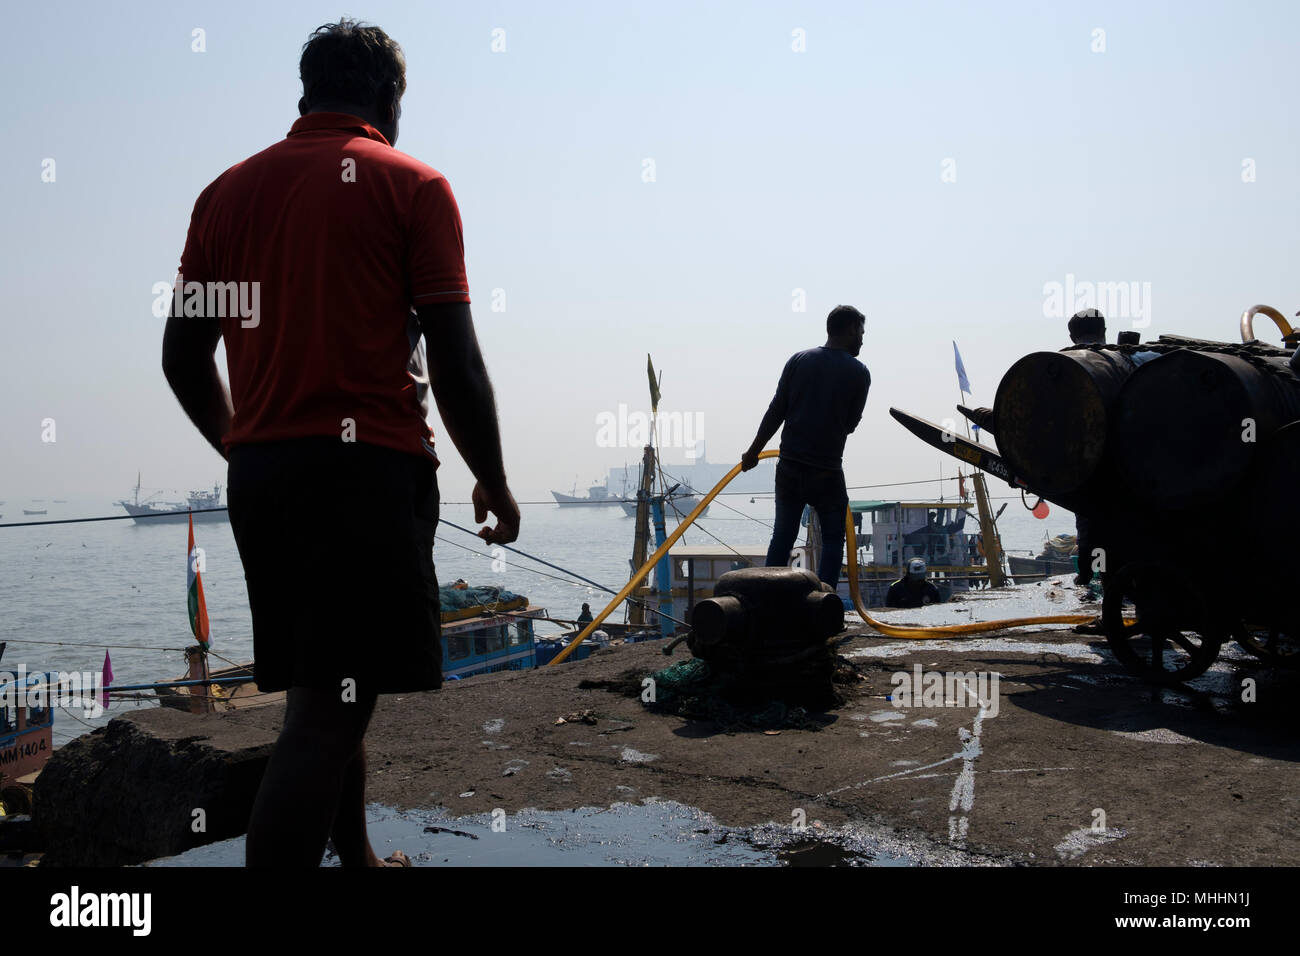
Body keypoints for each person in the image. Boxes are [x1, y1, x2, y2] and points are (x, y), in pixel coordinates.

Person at [161, 19, 520, 868]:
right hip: (368, 478)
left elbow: (182, 357)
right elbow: (457, 359)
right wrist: (494, 479)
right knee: (327, 717)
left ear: (304, 96)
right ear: (390, 99)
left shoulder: (226, 194)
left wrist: (244, 446)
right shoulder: (414, 186)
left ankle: (353, 855)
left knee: (324, 690)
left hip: (267, 480)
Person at [741, 305, 870, 588]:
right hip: (827, 470)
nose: (862, 339)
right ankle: (823, 601)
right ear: (849, 329)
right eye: (861, 332)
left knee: (783, 537)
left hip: (790, 467)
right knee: (834, 539)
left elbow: (776, 410)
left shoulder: (798, 360)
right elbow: (850, 425)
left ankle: (766, 599)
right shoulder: (859, 373)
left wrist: (753, 452)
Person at [1067, 309, 1105, 585]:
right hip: (1134, 469)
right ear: (1104, 331)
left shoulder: (1064, 363)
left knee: (1090, 525)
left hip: (1086, 468)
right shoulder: (1127, 359)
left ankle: (1088, 575)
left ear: (1071, 335)